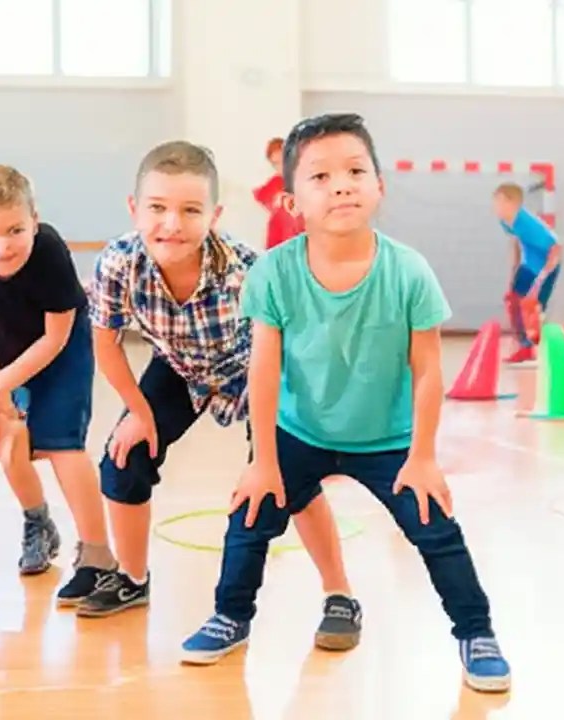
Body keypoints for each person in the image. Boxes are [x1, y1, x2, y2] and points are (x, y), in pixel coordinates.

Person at [178, 114, 511, 695]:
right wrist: (263, 458)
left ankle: (476, 632)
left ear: (379, 184)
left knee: (435, 528)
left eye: (356, 171)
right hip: (299, 431)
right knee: (250, 518)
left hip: (389, 439)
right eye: (321, 176)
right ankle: (231, 616)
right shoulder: (275, 272)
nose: (341, 185)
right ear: (290, 200)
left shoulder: (407, 270)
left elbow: (429, 369)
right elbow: (264, 367)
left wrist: (425, 456)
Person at [76, 140, 354, 632]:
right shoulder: (119, 262)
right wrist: (138, 413)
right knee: (123, 461)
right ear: (133, 209)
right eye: (157, 208)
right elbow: (105, 343)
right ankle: (133, 579)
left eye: (190, 210)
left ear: (215, 214)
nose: (172, 223)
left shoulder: (246, 270)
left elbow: (294, 344)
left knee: (290, 479)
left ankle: (339, 594)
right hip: (179, 368)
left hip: (258, 370)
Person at [0, 164, 117, 602]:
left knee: (62, 446)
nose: (1, 247)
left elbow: (55, 338)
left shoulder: (51, 254)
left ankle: (98, 560)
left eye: (15, 230)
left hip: (60, 347)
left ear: (35, 221)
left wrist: (2, 384)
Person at [492, 182, 561, 364]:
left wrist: (541, 280)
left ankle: (555, 349)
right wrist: (514, 271)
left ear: (512, 203)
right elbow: (516, 242)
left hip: (546, 267)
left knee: (534, 309)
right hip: (528, 265)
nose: (495, 207)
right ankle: (524, 347)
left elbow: (555, 249)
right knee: (513, 301)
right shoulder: (506, 222)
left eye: (499, 202)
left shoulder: (529, 223)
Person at [252, 137, 304, 250]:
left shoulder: (305, 179)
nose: (282, 167)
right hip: (280, 245)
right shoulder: (274, 184)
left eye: (283, 161)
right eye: (276, 163)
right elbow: (259, 195)